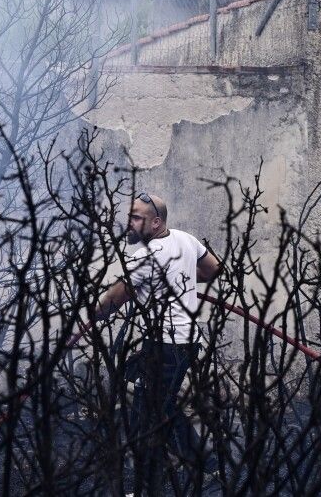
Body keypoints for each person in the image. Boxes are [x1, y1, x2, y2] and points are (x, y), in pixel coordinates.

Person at [90, 192, 222, 489]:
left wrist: (85, 319)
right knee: (151, 401)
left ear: (156, 222)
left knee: (148, 415)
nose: (130, 223)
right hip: (184, 342)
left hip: (167, 346)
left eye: (137, 218)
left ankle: (160, 477)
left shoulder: (145, 257)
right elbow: (214, 268)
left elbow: (113, 299)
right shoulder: (185, 240)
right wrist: (179, 278)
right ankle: (195, 461)